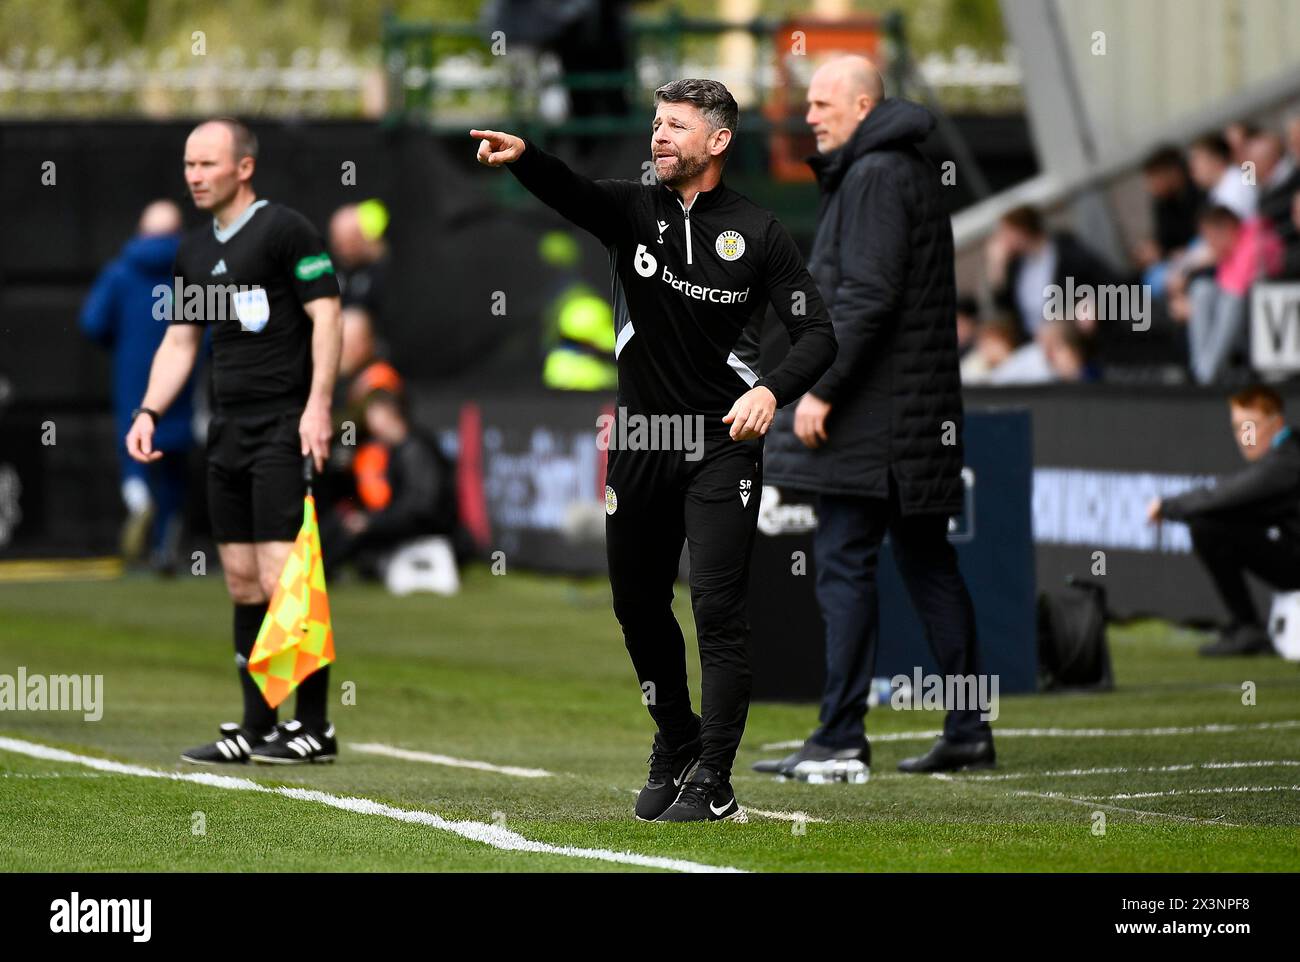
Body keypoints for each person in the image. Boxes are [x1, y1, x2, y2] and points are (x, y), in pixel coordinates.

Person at [471, 77, 837, 821]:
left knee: (717, 611)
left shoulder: (762, 232)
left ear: (719, 141)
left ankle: (716, 779)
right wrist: (524, 157)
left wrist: (770, 390)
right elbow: (570, 189)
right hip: (638, 441)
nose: (658, 136)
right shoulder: (631, 210)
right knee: (636, 603)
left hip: (721, 445)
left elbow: (820, 333)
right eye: (655, 124)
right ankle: (676, 738)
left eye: (675, 126)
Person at [761, 55, 994, 777]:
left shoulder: (875, 174)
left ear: (864, 105)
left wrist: (821, 391)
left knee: (843, 563)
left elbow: (865, 297)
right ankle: (967, 729)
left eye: (824, 101)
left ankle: (838, 738)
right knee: (927, 563)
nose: (810, 114)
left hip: (874, 416)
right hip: (908, 412)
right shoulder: (894, 168)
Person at [125, 117, 344, 765]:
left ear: (243, 168)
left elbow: (326, 315)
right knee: (243, 581)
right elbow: (181, 340)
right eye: (188, 165)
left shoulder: (286, 231)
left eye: (207, 164)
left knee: (286, 577)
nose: (194, 176)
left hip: (283, 421)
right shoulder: (191, 249)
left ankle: (314, 726)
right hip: (227, 428)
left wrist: (318, 407)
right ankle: (256, 725)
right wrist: (148, 410)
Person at [80, 200, 194, 572]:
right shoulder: (193, 271)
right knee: (174, 460)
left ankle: (137, 497)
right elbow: (209, 331)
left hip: (132, 376)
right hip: (179, 378)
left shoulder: (120, 273)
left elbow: (93, 322)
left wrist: (124, 345)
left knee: (134, 445)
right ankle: (165, 544)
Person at [1147, 385, 1300, 656]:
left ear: (1276, 423)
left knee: (1208, 523)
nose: (1244, 437)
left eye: (1249, 426)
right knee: (1212, 523)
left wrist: (1167, 506)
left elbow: (1229, 494)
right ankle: (1247, 628)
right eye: (1237, 428)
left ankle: (1247, 627)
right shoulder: (1285, 456)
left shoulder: (1289, 460)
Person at [321, 389, 457, 579]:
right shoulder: (395, 450)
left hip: (425, 524)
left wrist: (372, 521)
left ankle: (317, 574)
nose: (369, 424)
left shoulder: (415, 449)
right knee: (338, 521)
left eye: (372, 416)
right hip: (402, 518)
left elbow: (419, 506)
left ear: (389, 413)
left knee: (351, 529)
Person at [987, 204, 1120, 342]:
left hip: (1072, 334)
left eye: (1006, 233)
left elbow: (1108, 282)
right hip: (1035, 341)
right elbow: (1004, 309)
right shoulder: (1016, 267)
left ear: (1022, 231)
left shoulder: (1065, 251)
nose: (1002, 240)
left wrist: (1091, 302)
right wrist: (996, 266)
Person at [1188, 132, 1255, 220]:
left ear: (1216, 158)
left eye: (1196, 162)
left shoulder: (1239, 181)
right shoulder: (1217, 190)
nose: (1192, 170)